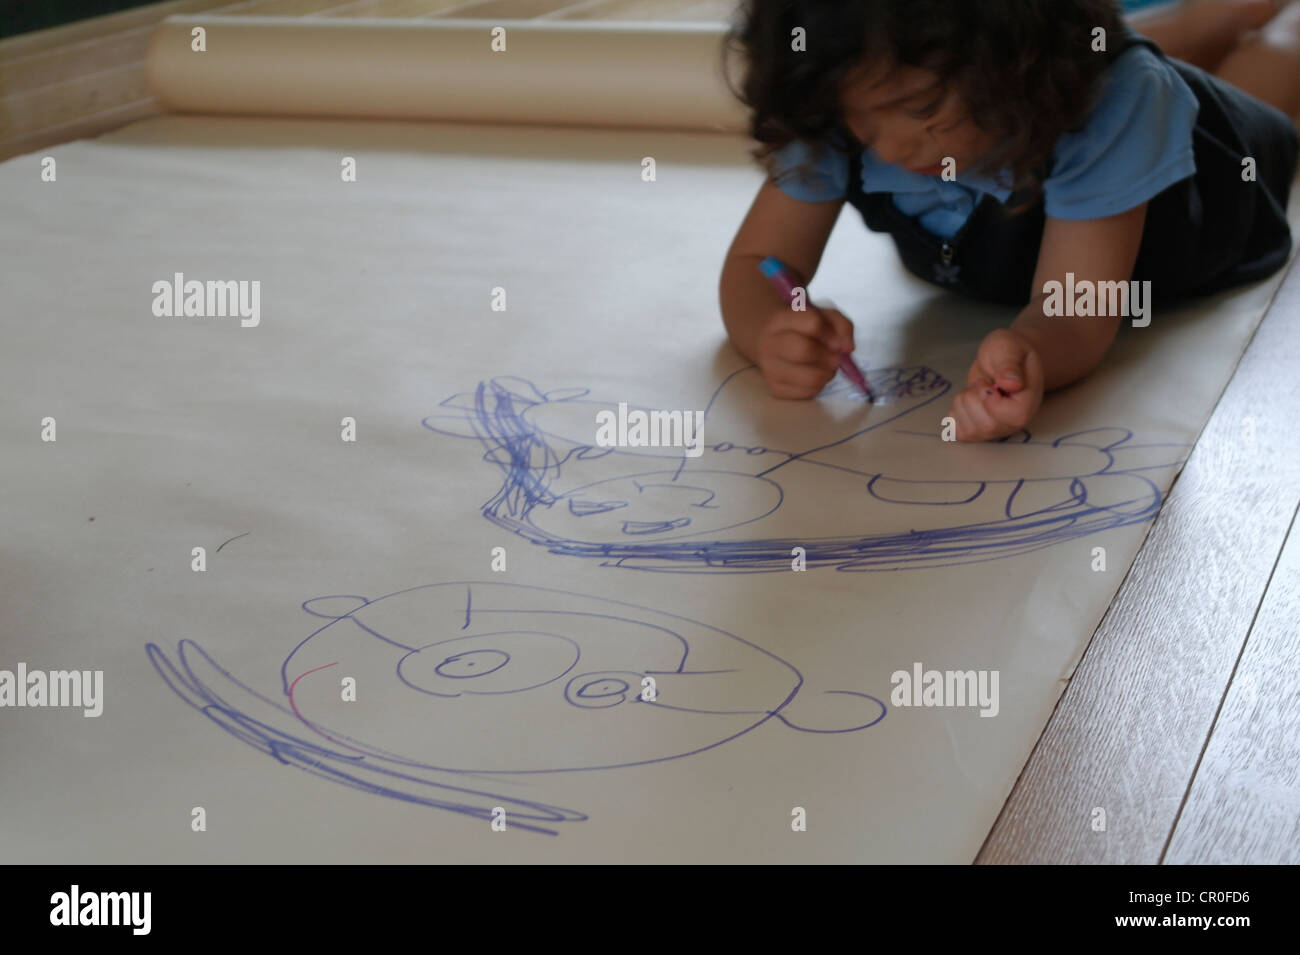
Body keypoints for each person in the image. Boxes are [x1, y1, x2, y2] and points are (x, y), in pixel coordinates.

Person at [718, 0, 1300, 440]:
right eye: (862, 126)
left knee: (1270, 68)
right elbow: (756, 263)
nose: (890, 148)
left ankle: (1268, 24)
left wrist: (1035, 351)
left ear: (1014, 67)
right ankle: (1211, 21)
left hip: (1222, 175)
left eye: (921, 111)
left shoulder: (1111, 104)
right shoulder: (832, 93)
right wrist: (770, 328)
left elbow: (1073, 312)